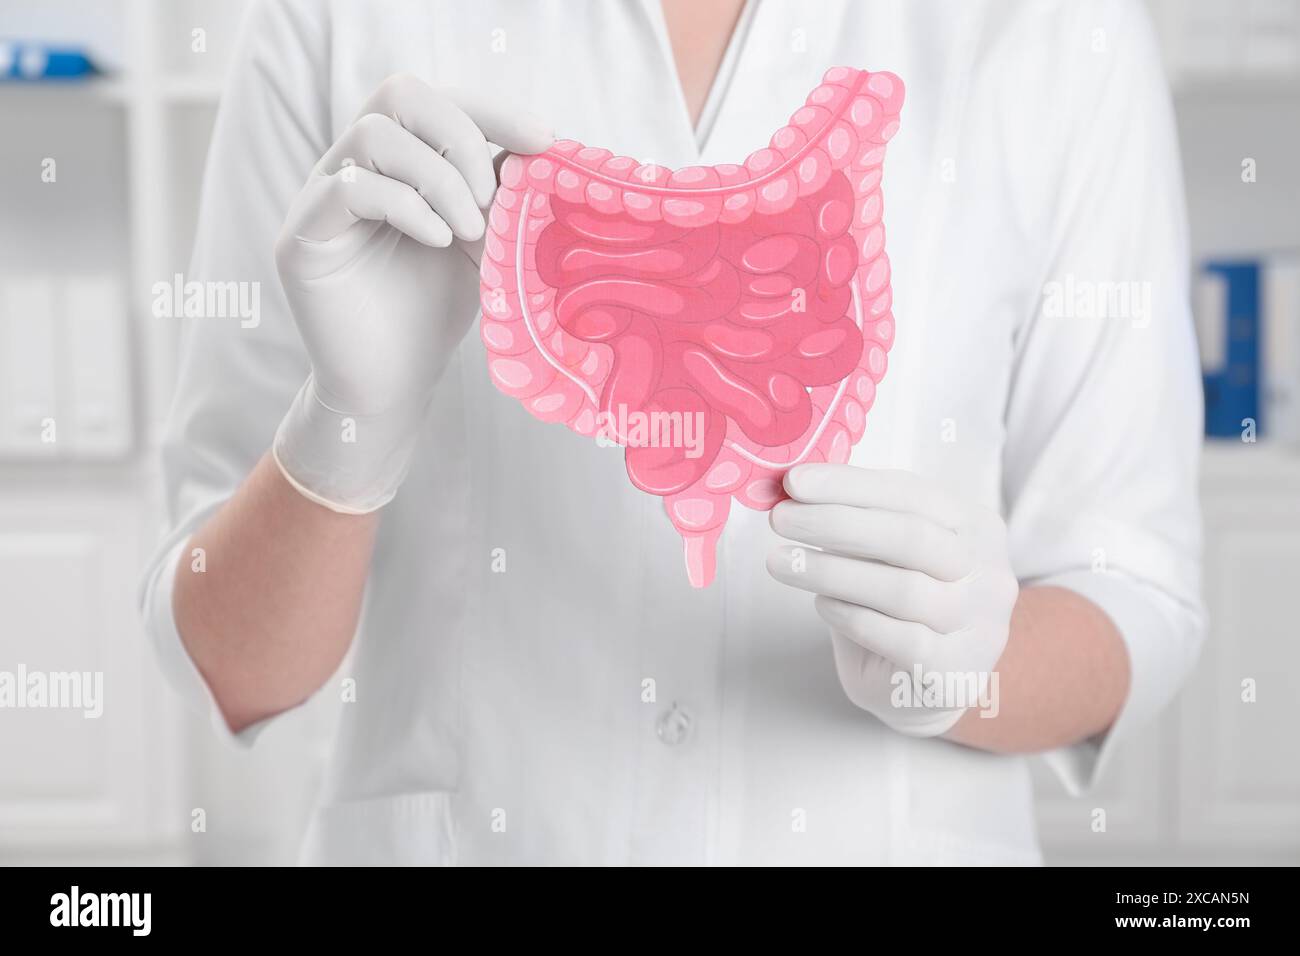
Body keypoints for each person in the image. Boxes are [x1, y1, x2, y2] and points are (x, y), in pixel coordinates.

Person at [140, 0, 1205, 865]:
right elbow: (224, 661)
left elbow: (1136, 590)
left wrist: (971, 667)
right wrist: (345, 425)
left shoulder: (1058, 33)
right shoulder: (330, 19)